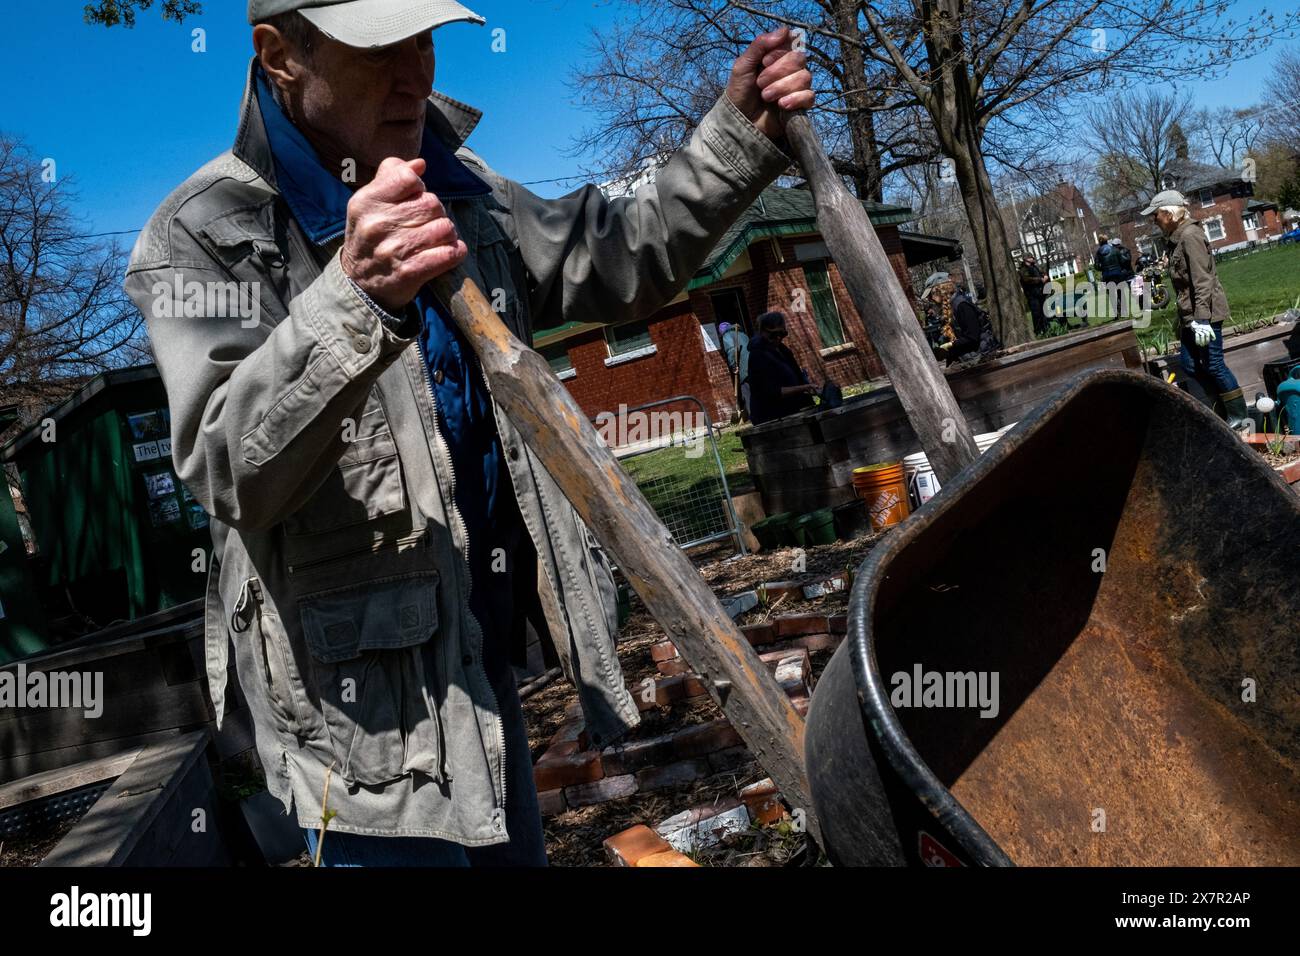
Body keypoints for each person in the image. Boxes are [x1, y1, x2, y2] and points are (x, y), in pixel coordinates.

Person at [123, 0, 813, 867]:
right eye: (379, 50)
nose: (415, 72)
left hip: (479, 677)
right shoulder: (205, 235)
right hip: (364, 743)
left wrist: (734, 140)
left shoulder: (463, 189)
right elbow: (227, 469)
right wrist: (352, 300)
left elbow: (619, 253)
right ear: (279, 57)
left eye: (424, 40)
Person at [1142, 189, 1248, 427]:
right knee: (1190, 365)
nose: (1154, 220)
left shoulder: (1190, 236)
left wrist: (1202, 319)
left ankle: (1240, 416)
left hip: (1205, 313)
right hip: (1191, 316)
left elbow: (1203, 281)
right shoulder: (1176, 238)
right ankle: (1220, 413)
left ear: (1169, 213)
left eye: (1156, 214)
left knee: (1214, 365)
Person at [746, 311, 818, 424]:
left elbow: (796, 378)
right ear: (763, 332)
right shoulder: (758, 356)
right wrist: (804, 388)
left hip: (791, 411)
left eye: (782, 334)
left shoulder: (783, 350)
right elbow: (771, 391)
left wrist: (807, 389)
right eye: (773, 335)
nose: (778, 338)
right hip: (771, 417)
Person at [921, 273, 982, 364]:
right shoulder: (950, 307)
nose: (930, 298)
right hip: (965, 359)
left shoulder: (962, 306)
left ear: (941, 290)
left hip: (979, 359)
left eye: (931, 294)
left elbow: (973, 337)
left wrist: (950, 345)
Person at [1094, 233, 1134, 317]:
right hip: (1117, 273)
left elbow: (1096, 266)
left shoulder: (1098, 253)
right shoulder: (1114, 249)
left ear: (1099, 242)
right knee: (1120, 293)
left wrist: (1103, 268)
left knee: (1112, 294)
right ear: (1107, 240)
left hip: (1107, 275)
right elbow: (1123, 261)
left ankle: (1116, 313)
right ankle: (1124, 312)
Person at [718, 321, 751, 419]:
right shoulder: (743, 334)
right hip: (753, 365)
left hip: (743, 368)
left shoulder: (727, 335)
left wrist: (734, 365)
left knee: (747, 392)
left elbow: (732, 350)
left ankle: (754, 416)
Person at [1018, 254, 1049, 334]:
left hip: (1040, 293)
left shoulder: (1035, 267)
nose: (1033, 258)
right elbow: (1026, 279)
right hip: (1032, 295)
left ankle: (1046, 329)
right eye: (1031, 257)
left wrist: (1045, 275)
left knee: (1044, 312)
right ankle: (1038, 331)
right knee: (1036, 313)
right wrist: (1040, 279)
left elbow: (1042, 272)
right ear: (1026, 259)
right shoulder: (1023, 269)